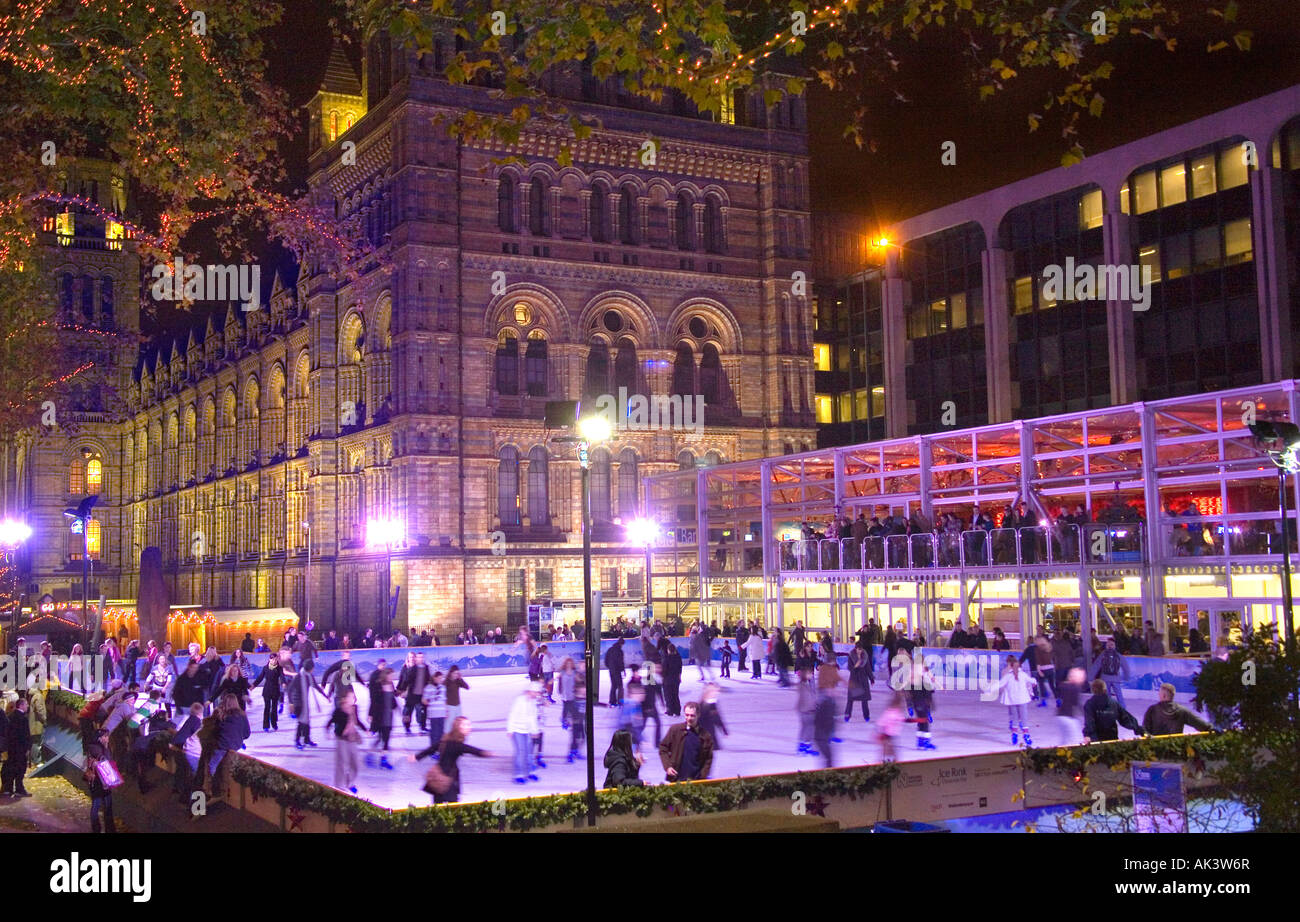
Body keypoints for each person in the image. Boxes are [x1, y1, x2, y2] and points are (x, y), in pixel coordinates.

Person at [413, 717, 490, 804]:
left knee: (438, 806)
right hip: (448, 781)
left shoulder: (446, 740)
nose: (469, 727)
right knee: (451, 808)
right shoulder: (455, 743)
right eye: (466, 725)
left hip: (437, 778)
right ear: (458, 727)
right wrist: (483, 753)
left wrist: (417, 757)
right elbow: (470, 749)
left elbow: (432, 749)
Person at [659, 701, 715, 782]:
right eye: (687, 715)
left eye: (692, 716)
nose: (689, 718)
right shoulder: (675, 730)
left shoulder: (705, 736)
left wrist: (703, 776)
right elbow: (663, 748)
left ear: (698, 715)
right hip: (676, 778)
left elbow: (708, 759)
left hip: (696, 780)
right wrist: (668, 767)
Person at [325, 689, 367, 794]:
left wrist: (365, 729)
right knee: (342, 763)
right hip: (342, 739)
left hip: (352, 739)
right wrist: (328, 731)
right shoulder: (339, 711)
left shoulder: (354, 708)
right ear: (344, 699)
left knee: (355, 763)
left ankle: (350, 782)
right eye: (350, 697)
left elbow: (357, 721)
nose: (353, 699)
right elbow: (331, 722)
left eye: (353, 697)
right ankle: (339, 785)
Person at [208, 693, 251, 795]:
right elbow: (247, 733)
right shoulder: (242, 715)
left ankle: (210, 787)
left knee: (211, 765)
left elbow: (214, 731)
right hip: (236, 744)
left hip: (222, 746)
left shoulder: (221, 715)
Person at [993, 655, 1037, 748]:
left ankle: (1014, 734)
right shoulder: (1023, 674)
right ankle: (1026, 735)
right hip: (1022, 699)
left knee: (1014, 717)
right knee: (1024, 718)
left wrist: (989, 689)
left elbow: (1000, 684)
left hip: (1012, 700)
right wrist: (1034, 683)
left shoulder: (1007, 675)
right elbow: (1032, 681)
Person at [1141, 683, 1214, 736]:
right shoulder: (1182, 711)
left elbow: (1145, 731)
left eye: (1159, 693)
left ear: (1163, 695)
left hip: (1156, 750)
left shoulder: (1152, 710)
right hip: (1176, 747)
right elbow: (1202, 725)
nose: (1158, 694)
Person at [508, 683, 542, 784]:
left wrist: (535, 730)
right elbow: (512, 714)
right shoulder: (519, 700)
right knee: (520, 752)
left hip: (527, 731)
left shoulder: (533, 702)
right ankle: (518, 775)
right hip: (517, 730)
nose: (537, 694)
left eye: (537, 692)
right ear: (530, 691)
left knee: (529, 753)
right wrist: (510, 729)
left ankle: (530, 772)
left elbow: (533, 718)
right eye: (535, 692)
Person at [289, 659, 324, 749]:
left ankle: (307, 739)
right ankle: (297, 741)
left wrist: (325, 695)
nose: (313, 670)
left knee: (306, 721)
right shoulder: (299, 677)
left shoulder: (309, 676)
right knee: (301, 722)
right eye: (313, 668)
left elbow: (315, 686)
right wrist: (291, 704)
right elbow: (290, 690)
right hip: (298, 703)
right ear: (310, 668)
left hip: (304, 702)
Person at [84, 740, 117, 833]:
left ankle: (96, 828)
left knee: (96, 804)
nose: (107, 738)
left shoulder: (91, 748)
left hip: (95, 783)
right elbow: (108, 760)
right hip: (102, 782)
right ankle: (109, 828)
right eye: (105, 736)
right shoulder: (99, 750)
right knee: (106, 805)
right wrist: (106, 747)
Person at [1088, 638, 1131, 708]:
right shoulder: (1118, 655)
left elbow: (1096, 666)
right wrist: (1127, 677)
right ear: (1115, 646)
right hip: (1116, 678)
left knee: (1106, 694)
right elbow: (1126, 667)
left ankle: (1108, 707)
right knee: (1119, 695)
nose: (1110, 646)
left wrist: (1090, 677)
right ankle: (1123, 708)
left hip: (1105, 678)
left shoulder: (1103, 655)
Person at [368, 667, 397, 766]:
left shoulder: (391, 685)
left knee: (386, 739)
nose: (392, 677)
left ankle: (383, 759)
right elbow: (374, 701)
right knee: (380, 738)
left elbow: (392, 699)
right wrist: (370, 714)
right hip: (380, 716)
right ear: (386, 675)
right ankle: (371, 753)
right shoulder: (378, 685)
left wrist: (396, 706)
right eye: (391, 675)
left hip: (388, 716)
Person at [2, 696, 31, 796]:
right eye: (26, 704)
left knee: (11, 767)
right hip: (20, 748)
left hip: (11, 747)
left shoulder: (10, 716)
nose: (27, 706)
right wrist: (27, 747)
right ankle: (19, 789)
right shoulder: (23, 719)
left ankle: (8, 788)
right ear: (22, 705)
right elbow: (25, 735)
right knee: (20, 768)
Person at [397, 651, 431, 733]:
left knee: (422, 712)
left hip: (421, 695)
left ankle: (422, 726)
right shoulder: (407, 667)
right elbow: (404, 680)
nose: (420, 659)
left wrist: (428, 692)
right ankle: (407, 727)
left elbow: (428, 680)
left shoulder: (425, 667)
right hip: (410, 694)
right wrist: (400, 690)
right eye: (418, 657)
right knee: (407, 712)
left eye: (422, 657)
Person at [252, 655, 285, 731]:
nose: (274, 661)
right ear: (269, 660)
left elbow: (282, 676)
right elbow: (260, 677)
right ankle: (266, 725)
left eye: (276, 660)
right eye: (273, 659)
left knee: (274, 708)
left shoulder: (279, 668)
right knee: (267, 708)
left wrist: (283, 683)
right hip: (267, 690)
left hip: (275, 690)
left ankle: (274, 724)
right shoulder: (265, 668)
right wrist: (254, 685)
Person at [1056, 667, 1087, 746]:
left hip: (1059, 717)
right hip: (1069, 718)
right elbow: (1076, 703)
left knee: (1065, 740)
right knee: (1076, 740)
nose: (1082, 680)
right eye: (1081, 677)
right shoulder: (1075, 688)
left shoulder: (1062, 685)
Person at [845, 642, 874, 722]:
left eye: (861, 649)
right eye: (858, 649)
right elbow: (849, 668)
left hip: (863, 679)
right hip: (854, 679)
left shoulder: (865, 656)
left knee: (864, 699)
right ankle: (847, 714)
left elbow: (868, 668)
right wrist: (855, 666)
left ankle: (866, 716)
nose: (859, 651)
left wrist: (871, 678)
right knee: (850, 698)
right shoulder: (851, 656)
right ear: (855, 648)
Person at [697, 683, 728, 751]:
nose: (716, 693)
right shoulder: (710, 703)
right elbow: (716, 718)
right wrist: (724, 730)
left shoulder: (703, 702)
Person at [605, 638, 625, 708]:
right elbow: (620, 662)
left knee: (613, 686)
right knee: (620, 686)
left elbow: (606, 660)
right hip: (617, 671)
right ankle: (620, 701)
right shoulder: (620, 651)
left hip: (611, 670)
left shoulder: (610, 649)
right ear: (621, 644)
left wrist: (610, 667)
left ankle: (612, 701)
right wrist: (622, 670)